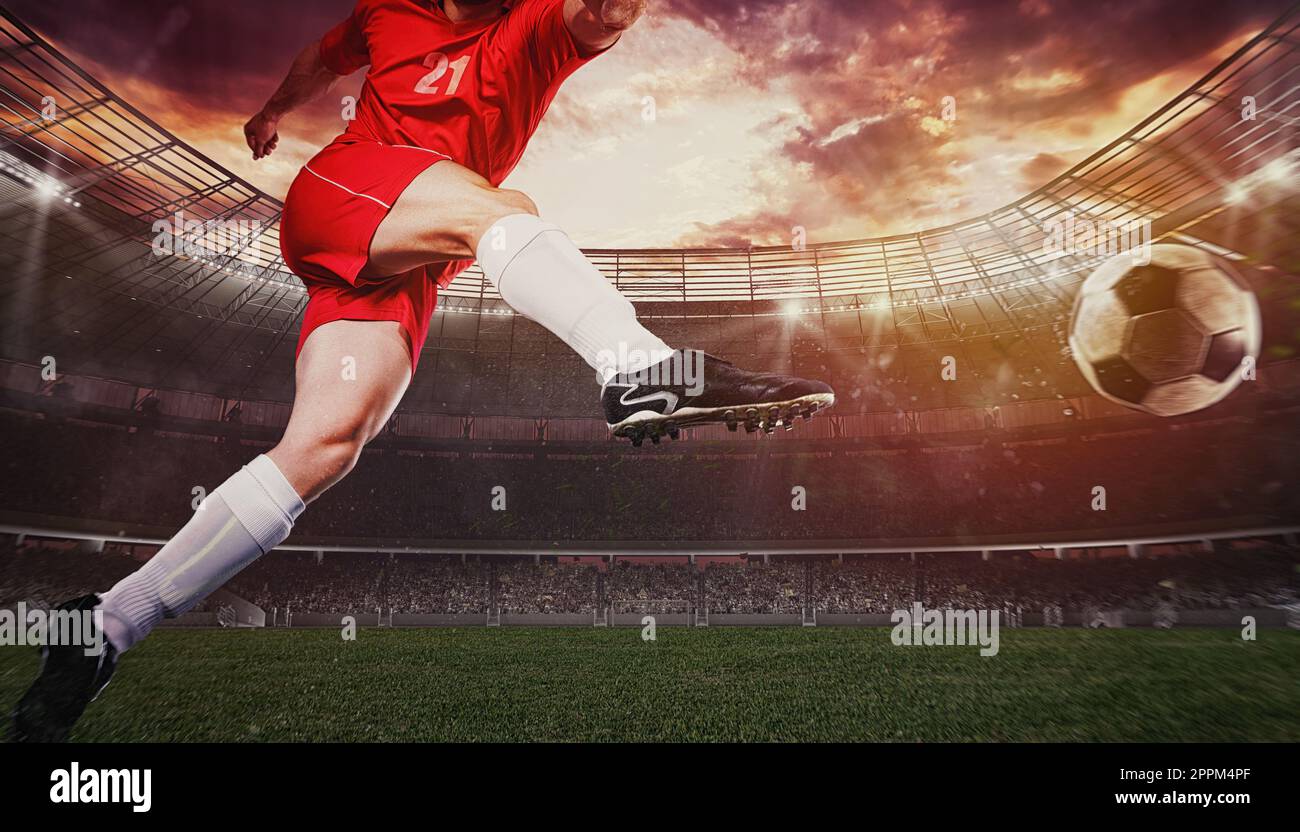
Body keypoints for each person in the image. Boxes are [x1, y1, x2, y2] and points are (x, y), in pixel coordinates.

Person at [10, 0, 833, 742]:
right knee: (506, 212)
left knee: (324, 448)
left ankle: (108, 623)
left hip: (403, 266)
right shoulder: (385, 12)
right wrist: (272, 110)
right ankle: (641, 367)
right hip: (343, 190)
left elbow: (607, 10)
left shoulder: (538, 24)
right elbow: (323, 57)